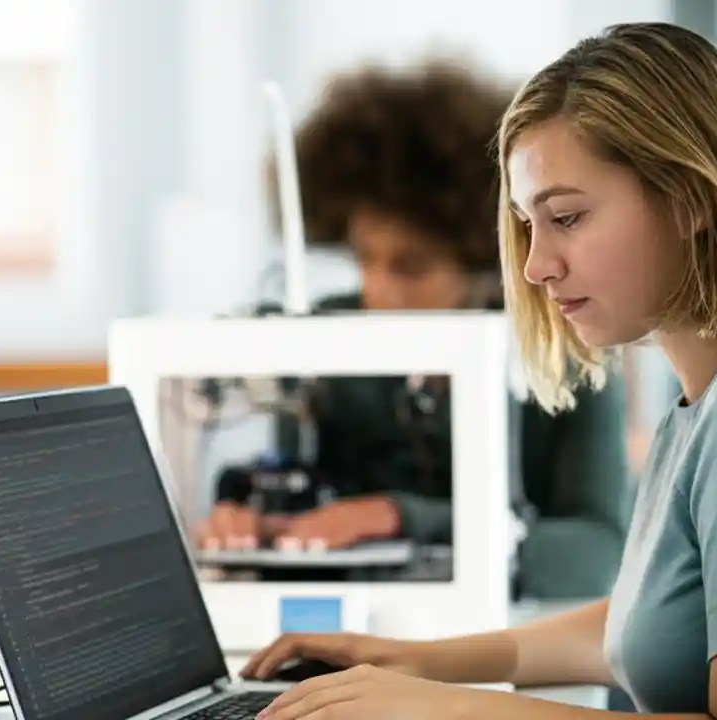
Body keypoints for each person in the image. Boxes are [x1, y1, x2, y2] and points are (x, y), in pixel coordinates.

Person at [243, 23, 717, 719]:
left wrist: (440, 707)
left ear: (692, 199)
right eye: (527, 225)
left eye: (568, 217)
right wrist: (423, 662)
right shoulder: (714, 394)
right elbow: (654, 621)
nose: (534, 266)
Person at [194, 61, 629, 598]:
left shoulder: (567, 346)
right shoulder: (324, 340)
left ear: (485, 258)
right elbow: (303, 506)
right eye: (364, 258)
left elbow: (596, 556)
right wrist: (259, 519)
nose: (378, 292)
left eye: (412, 267)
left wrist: (401, 518)